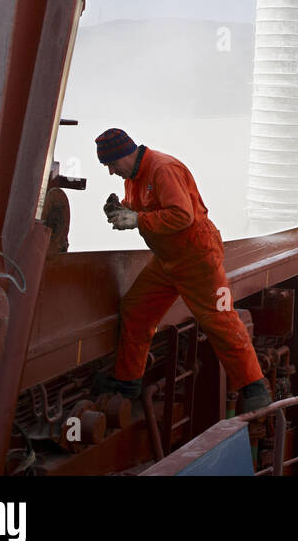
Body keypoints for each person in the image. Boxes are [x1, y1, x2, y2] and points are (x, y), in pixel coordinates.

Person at [93, 127, 271, 412]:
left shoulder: (163, 169)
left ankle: (254, 388)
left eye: (112, 165)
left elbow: (182, 215)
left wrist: (137, 220)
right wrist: (121, 208)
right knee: (136, 309)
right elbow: (145, 208)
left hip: (198, 259)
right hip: (167, 261)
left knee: (221, 320)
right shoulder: (134, 175)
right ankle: (128, 383)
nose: (112, 172)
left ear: (125, 154)